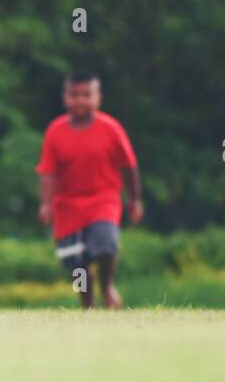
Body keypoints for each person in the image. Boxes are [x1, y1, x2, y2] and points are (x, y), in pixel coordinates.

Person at [36, 71, 144, 308]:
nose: (80, 100)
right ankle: (88, 303)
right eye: (74, 95)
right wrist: (46, 204)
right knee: (75, 261)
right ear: (65, 98)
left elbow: (128, 165)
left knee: (106, 245)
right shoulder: (55, 132)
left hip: (103, 200)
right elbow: (48, 172)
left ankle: (106, 286)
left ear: (98, 98)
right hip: (67, 205)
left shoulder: (111, 129)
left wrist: (135, 199)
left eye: (86, 95)